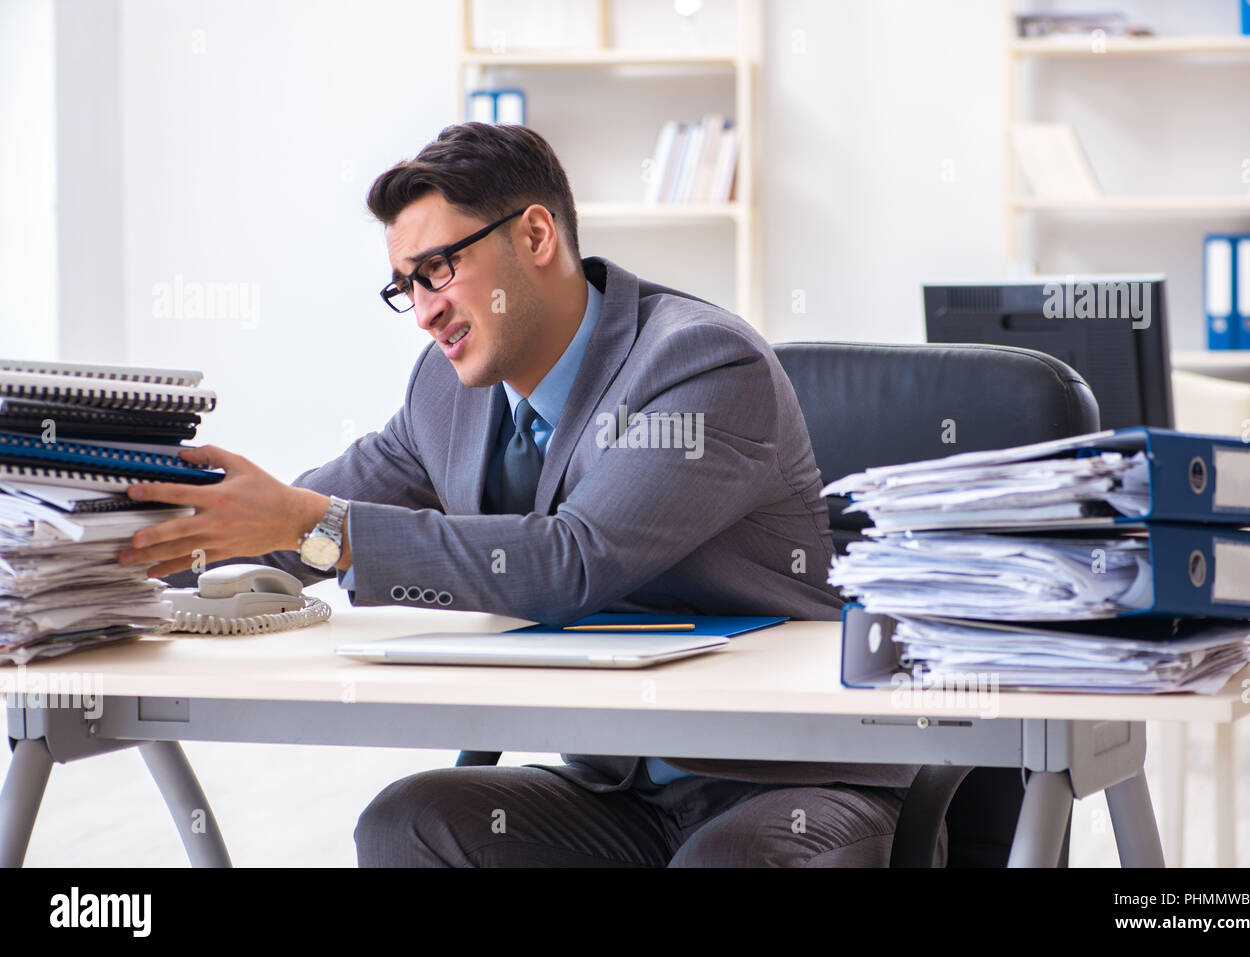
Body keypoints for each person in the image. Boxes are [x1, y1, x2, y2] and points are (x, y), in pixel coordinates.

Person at [123, 122, 940, 867]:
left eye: (438, 268)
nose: (423, 311)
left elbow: (573, 559)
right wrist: (100, 566)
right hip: (620, 793)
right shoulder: (447, 395)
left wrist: (320, 528)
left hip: (784, 784)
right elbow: (290, 520)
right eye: (406, 285)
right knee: (408, 825)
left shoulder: (702, 367)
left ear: (537, 234)